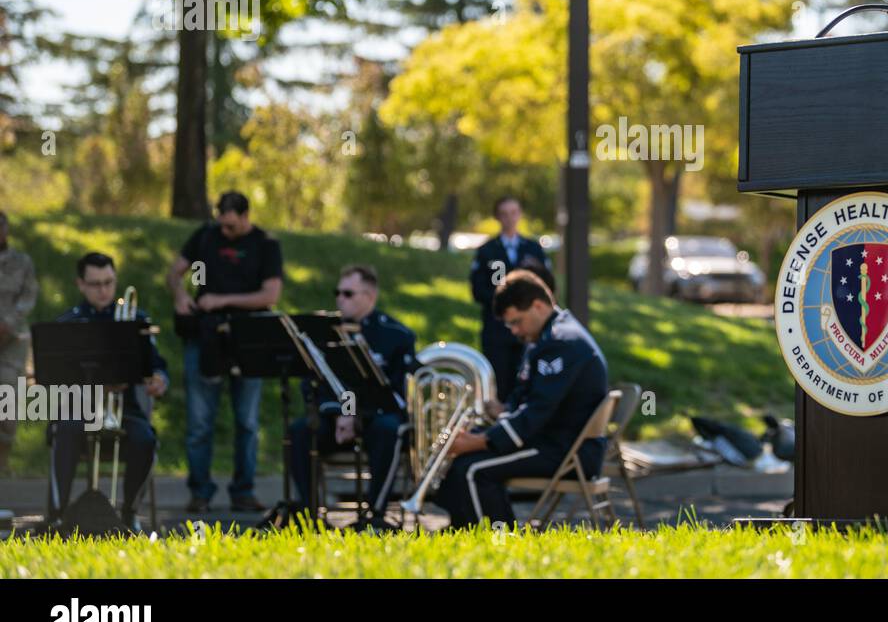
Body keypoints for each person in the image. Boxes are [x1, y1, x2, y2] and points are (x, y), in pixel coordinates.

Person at [433, 270, 608, 529]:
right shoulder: (547, 336)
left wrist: (481, 441)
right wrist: (500, 413)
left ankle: (500, 541)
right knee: (461, 463)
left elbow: (538, 411)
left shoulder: (561, 342)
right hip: (552, 440)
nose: (515, 331)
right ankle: (463, 530)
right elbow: (526, 399)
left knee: (474, 470)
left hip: (566, 451)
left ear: (538, 306)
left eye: (517, 321)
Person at [166, 190, 283, 513]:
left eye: (232, 226)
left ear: (246, 217)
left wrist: (222, 300)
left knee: (247, 421)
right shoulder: (206, 236)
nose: (225, 232)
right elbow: (175, 272)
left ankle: (243, 491)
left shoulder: (265, 244)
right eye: (222, 224)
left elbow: (269, 295)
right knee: (200, 421)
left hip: (247, 337)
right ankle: (200, 492)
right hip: (206, 336)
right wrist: (180, 297)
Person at [289, 264, 417, 526]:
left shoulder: (396, 335)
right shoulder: (324, 333)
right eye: (338, 292)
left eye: (348, 293)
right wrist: (339, 414)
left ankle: (375, 515)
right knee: (300, 432)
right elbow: (315, 383)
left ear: (369, 296)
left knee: (389, 430)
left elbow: (398, 392)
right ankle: (310, 514)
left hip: (376, 418)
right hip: (335, 418)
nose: (339, 299)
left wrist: (357, 415)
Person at [48, 253, 168, 530]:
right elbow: (55, 377)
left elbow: (156, 366)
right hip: (80, 409)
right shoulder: (67, 324)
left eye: (109, 283)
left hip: (124, 409)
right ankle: (58, 516)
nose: (103, 290)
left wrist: (159, 379)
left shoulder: (136, 321)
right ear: (80, 284)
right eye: (95, 284)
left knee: (145, 439)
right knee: (65, 430)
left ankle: (128, 514)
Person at [469, 196, 553, 400]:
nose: (510, 218)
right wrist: (505, 304)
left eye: (514, 213)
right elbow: (478, 289)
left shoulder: (533, 249)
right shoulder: (487, 250)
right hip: (497, 329)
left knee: (526, 380)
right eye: (504, 214)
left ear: (520, 214)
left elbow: (547, 285)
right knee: (499, 381)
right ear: (497, 217)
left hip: (530, 329)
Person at [0, 211, 38, 472]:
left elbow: (28, 297)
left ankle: (2, 467)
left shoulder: (21, 262)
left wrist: (7, 324)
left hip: (11, 344)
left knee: (6, 403)